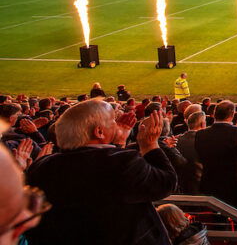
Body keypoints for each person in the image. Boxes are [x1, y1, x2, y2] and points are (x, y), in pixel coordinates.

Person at [25, 100, 177, 245]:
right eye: (113, 120)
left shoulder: (40, 167)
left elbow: (94, 168)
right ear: (99, 131)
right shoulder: (122, 163)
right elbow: (166, 183)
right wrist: (149, 145)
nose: (116, 123)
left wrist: (118, 143)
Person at [195, 100, 237, 211]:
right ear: (232, 115)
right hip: (233, 188)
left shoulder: (200, 134)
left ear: (215, 113)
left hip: (208, 185)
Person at [175, 111, 205, 193]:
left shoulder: (176, 140)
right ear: (203, 124)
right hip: (199, 186)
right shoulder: (206, 141)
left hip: (179, 186)